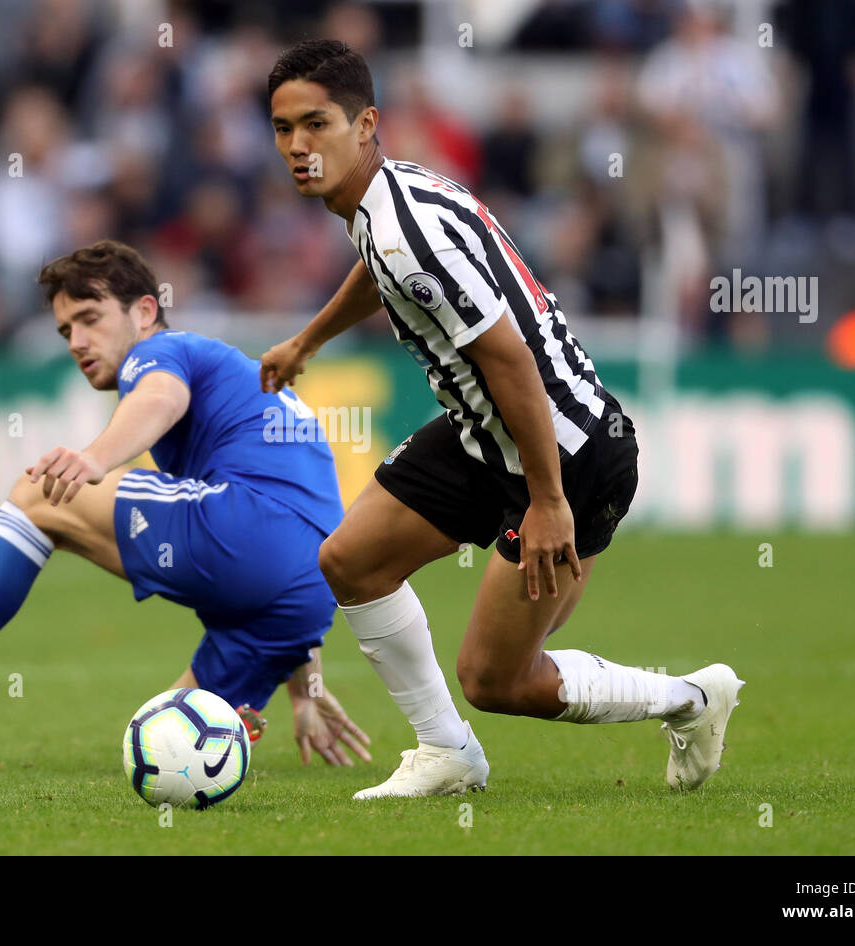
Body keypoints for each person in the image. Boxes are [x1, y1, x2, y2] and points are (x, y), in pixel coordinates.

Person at [260, 40, 743, 799]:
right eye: (283, 128)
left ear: (365, 124)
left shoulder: (402, 226)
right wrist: (309, 339)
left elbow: (511, 361)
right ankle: (444, 752)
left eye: (315, 124)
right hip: (487, 435)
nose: (297, 145)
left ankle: (689, 698)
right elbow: (379, 273)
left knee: (495, 678)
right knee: (349, 560)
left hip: (566, 451)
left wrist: (550, 502)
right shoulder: (383, 202)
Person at [0, 241, 371, 767]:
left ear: (145, 311)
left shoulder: (161, 352)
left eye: (90, 318)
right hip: (304, 597)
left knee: (41, 491)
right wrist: (306, 688)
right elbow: (292, 553)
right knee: (163, 740)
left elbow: (159, 397)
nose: (76, 340)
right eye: (64, 329)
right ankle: (238, 723)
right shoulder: (240, 380)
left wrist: (98, 458)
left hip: (253, 527)